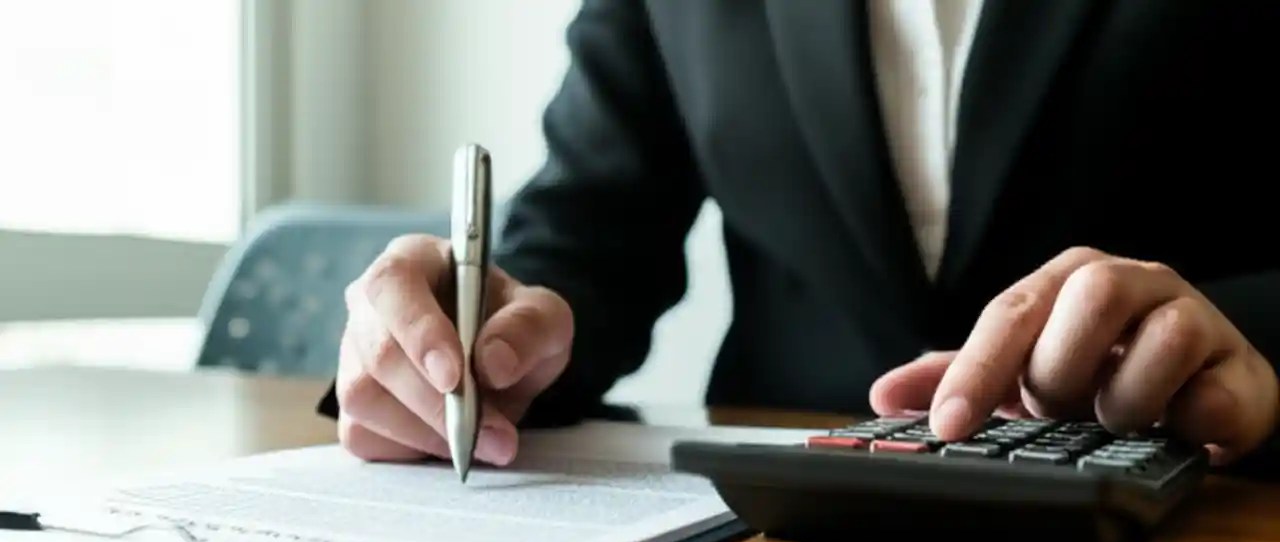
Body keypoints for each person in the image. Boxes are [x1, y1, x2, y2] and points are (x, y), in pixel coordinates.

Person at [319, 1, 1280, 473]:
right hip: (770, 527)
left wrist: (1248, 351)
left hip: (1196, 515)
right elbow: (587, 234)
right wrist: (485, 329)